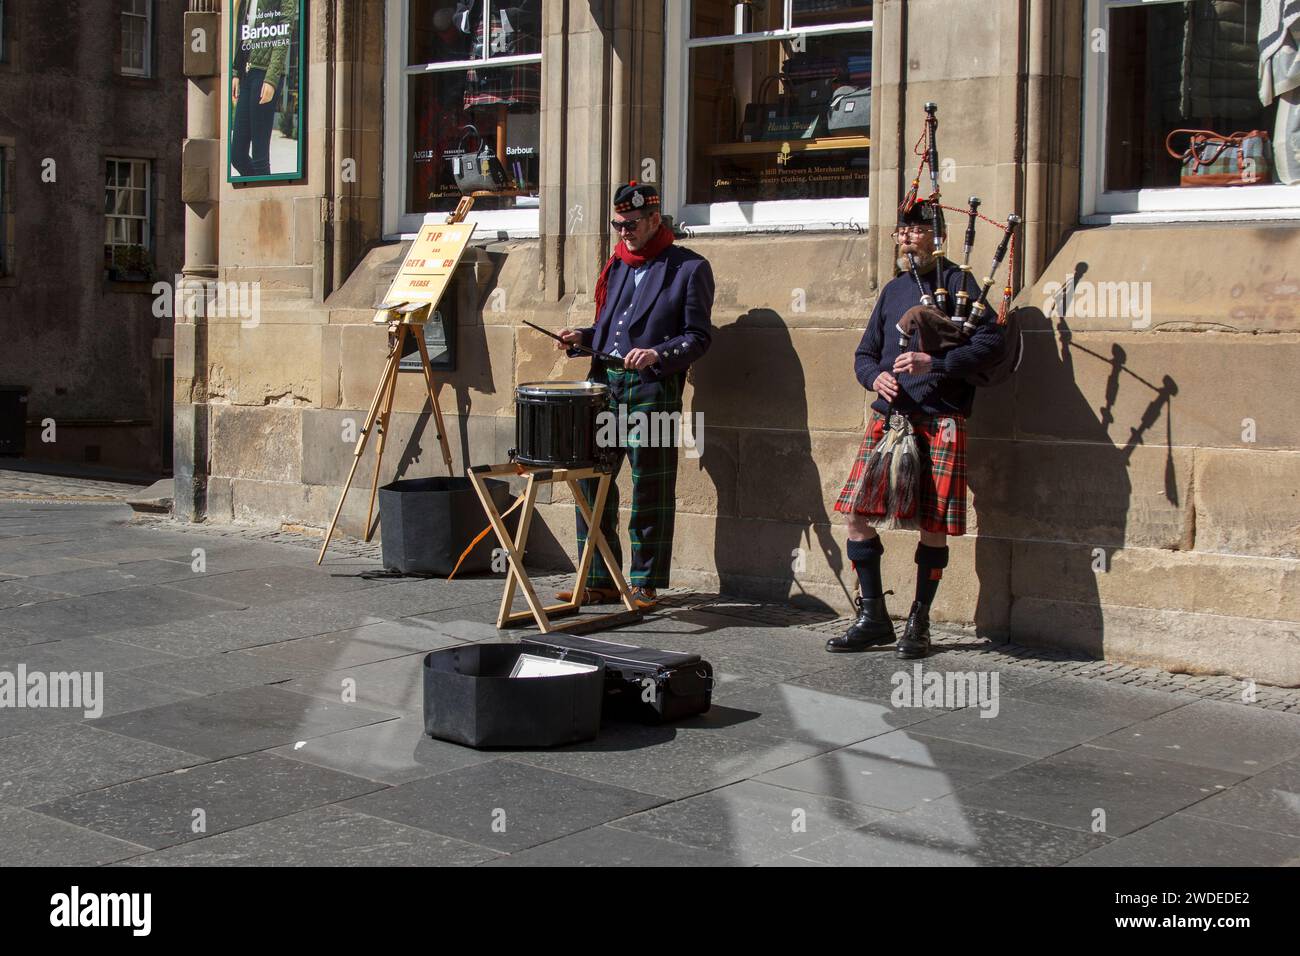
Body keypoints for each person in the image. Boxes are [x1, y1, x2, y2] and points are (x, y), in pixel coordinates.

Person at [827, 201, 1003, 659]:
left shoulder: (960, 284)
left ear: (936, 235)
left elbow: (990, 344)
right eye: (900, 231)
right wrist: (873, 378)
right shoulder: (893, 290)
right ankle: (873, 617)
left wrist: (938, 362)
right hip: (891, 418)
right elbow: (865, 354)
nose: (905, 239)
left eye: (915, 231)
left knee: (933, 524)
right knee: (856, 515)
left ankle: (919, 623)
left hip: (940, 416)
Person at [554, 181, 714, 610]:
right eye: (617, 224)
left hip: (652, 388)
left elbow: (698, 338)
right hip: (605, 385)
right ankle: (601, 578)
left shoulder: (688, 268)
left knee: (649, 486)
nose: (623, 232)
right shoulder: (618, 266)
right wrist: (581, 337)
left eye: (631, 224)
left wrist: (657, 354)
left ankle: (645, 583)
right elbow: (610, 329)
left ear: (654, 220)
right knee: (591, 481)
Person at [231, 0, 298, 178]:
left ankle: (266, 203)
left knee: (260, 155)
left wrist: (271, 78)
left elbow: (285, 29)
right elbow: (244, 28)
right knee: (237, 156)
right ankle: (261, 195)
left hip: (265, 73)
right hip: (247, 70)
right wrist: (236, 71)